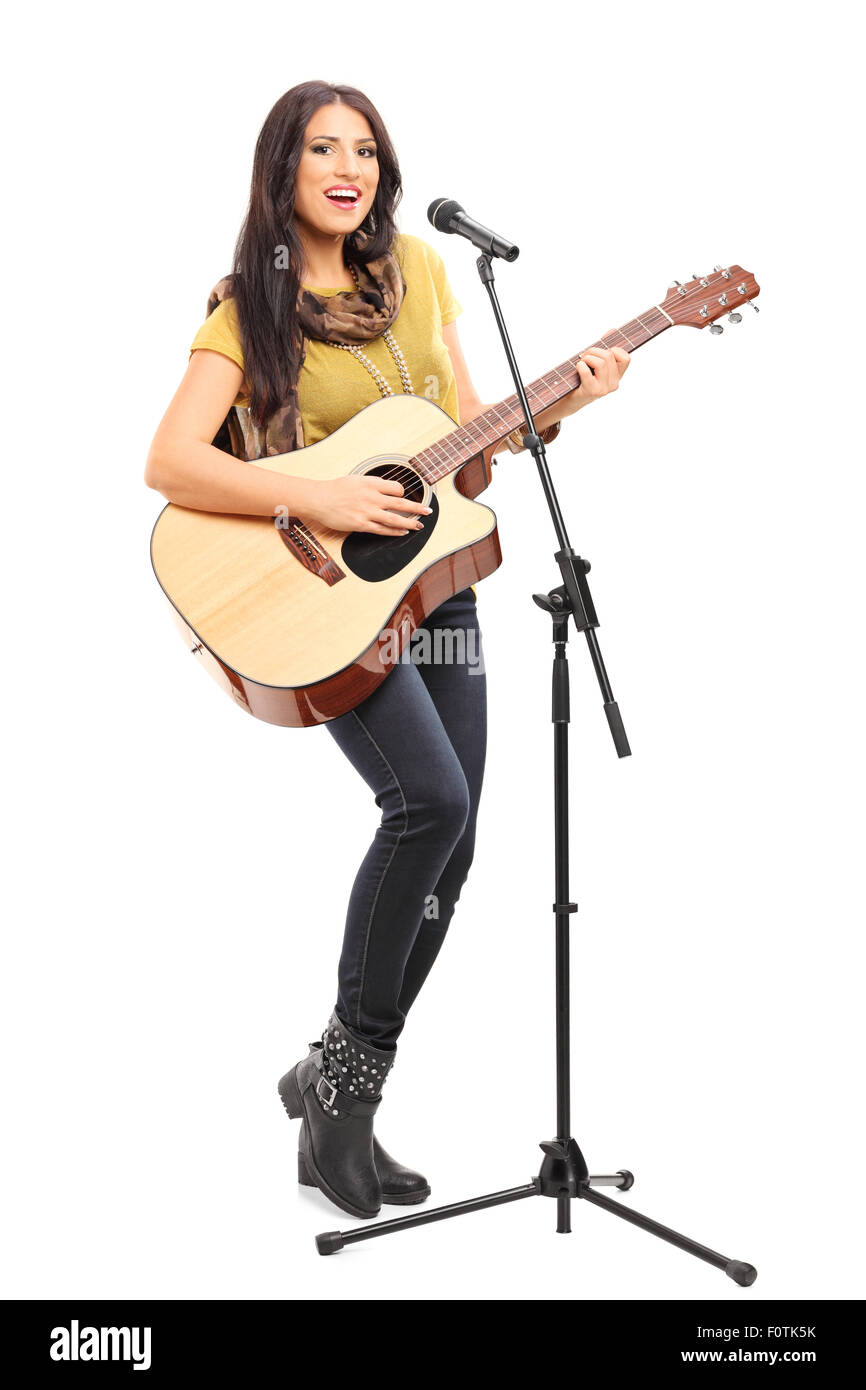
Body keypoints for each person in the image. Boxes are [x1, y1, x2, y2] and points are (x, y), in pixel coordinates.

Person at [145, 80, 630, 1222]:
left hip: (434, 579)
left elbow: (462, 425)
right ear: (284, 173)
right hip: (327, 595)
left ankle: (329, 1078)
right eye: (322, 148)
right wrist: (325, 495)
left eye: (363, 148)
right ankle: (346, 1102)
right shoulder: (246, 306)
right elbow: (169, 462)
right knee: (428, 803)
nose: (347, 166)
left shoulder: (416, 269)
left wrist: (564, 400)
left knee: (451, 839)